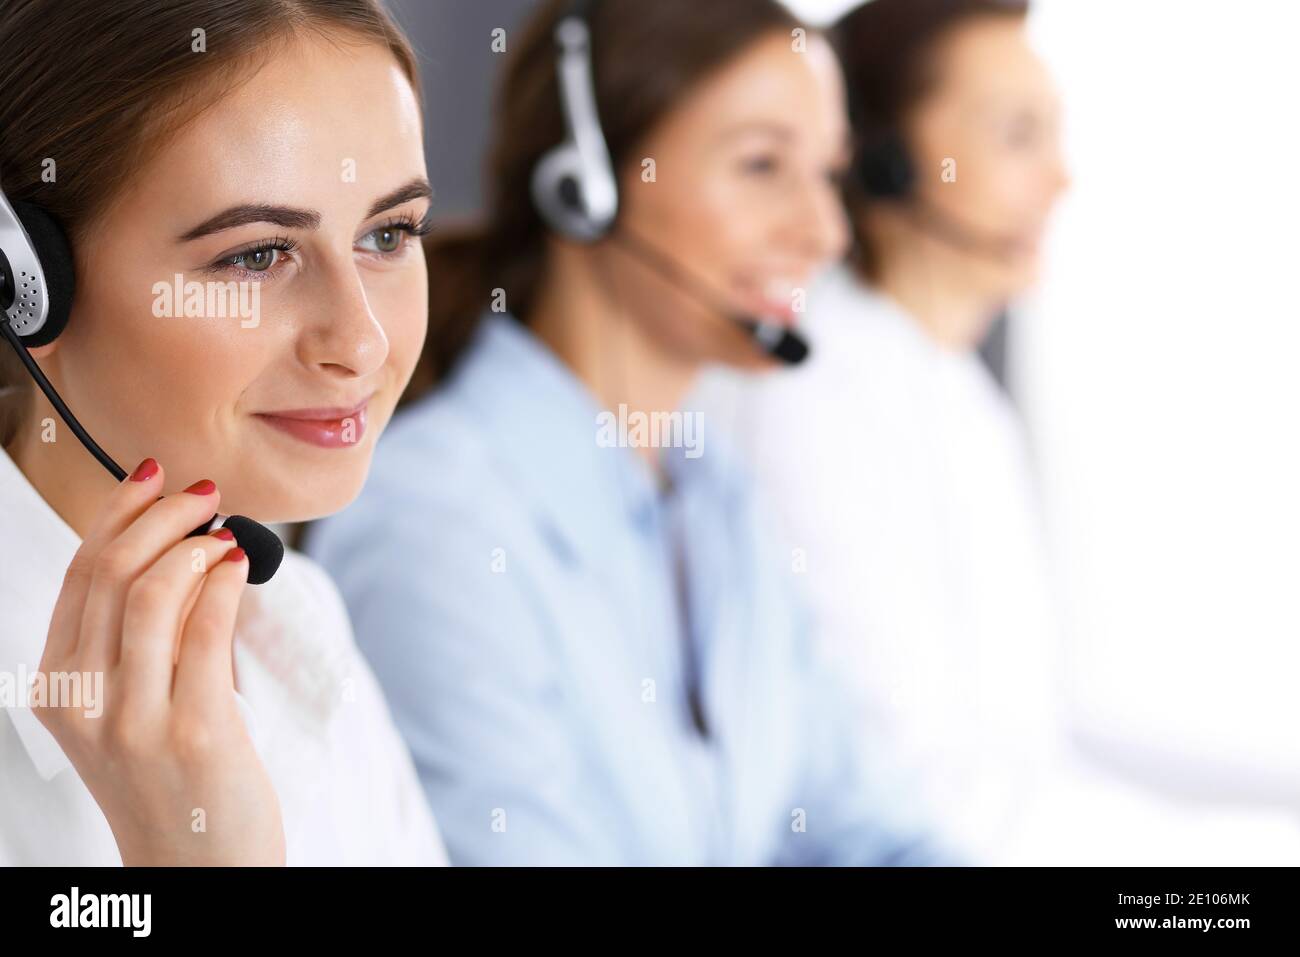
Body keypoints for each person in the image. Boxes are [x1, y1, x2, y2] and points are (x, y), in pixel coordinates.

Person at [307, 0, 943, 866]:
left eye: (826, 173)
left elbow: (864, 830)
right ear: (586, 185)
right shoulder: (435, 523)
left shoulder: (717, 492)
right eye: (762, 165)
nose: (826, 231)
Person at [692, 0, 1300, 864]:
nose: (1062, 179)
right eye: (1018, 136)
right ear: (888, 162)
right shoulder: (811, 394)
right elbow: (925, 800)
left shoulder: (958, 398)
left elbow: (1023, 762)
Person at [0, 0, 445, 865]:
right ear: (25, 279)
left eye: (388, 235)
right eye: (255, 254)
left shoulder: (294, 620)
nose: (360, 343)